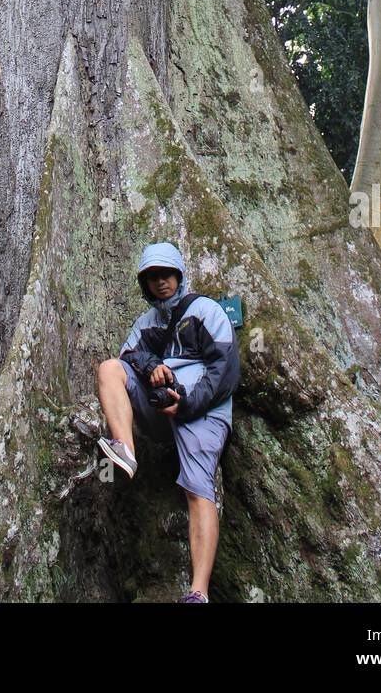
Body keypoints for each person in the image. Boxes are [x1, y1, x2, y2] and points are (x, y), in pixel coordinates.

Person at [96, 241, 241, 604]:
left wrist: (188, 403)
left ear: (179, 275)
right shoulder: (146, 324)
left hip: (203, 412)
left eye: (166, 275)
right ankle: (125, 450)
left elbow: (225, 370)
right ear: (144, 284)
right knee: (110, 369)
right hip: (162, 412)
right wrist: (151, 367)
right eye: (152, 277)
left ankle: (198, 593)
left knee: (198, 488)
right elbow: (127, 356)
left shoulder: (206, 311)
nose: (161, 282)